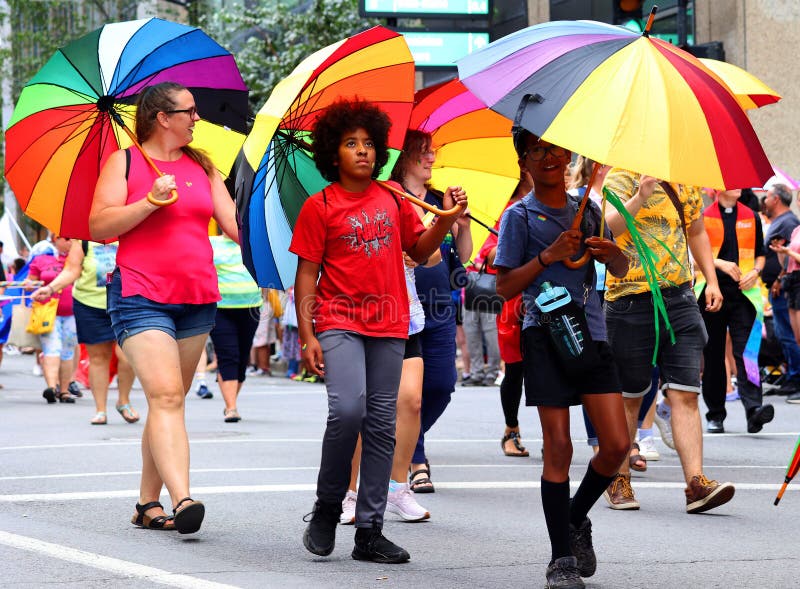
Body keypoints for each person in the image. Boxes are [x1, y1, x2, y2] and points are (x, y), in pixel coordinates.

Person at [291, 99, 467, 564]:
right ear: (333, 153)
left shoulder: (393, 198)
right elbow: (306, 274)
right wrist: (308, 334)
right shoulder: (320, 205)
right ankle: (328, 506)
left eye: (369, 143)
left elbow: (421, 247)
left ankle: (370, 530)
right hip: (338, 320)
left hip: (390, 323)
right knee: (348, 411)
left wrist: (445, 221)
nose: (363, 152)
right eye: (351, 144)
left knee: (382, 425)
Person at [89, 81, 239, 534]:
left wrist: (298, 257)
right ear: (162, 118)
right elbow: (98, 224)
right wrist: (148, 202)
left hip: (197, 298)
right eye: (189, 111)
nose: (198, 118)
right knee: (168, 397)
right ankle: (184, 499)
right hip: (139, 295)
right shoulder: (125, 162)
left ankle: (146, 502)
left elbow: (234, 226)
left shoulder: (202, 166)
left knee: (166, 403)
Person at [495, 130, 630, 589]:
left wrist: (614, 256)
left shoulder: (588, 209)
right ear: (525, 163)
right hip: (545, 335)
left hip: (591, 334)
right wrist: (547, 256)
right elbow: (504, 287)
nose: (548, 157)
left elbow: (619, 268)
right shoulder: (519, 217)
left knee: (615, 445)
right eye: (536, 151)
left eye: (554, 148)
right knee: (559, 448)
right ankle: (561, 559)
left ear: (568, 154)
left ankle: (573, 518)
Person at [602, 169, 735, 514]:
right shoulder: (619, 178)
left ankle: (696, 483)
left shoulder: (683, 179)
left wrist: (712, 280)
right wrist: (641, 194)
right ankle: (618, 477)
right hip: (630, 299)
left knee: (685, 392)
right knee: (630, 396)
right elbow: (610, 227)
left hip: (680, 299)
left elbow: (697, 231)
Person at [389, 129, 471, 493]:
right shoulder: (389, 196)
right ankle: (416, 461)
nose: (432, 158)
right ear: (405, 155)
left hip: (440, 305)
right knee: (410, 394)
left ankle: (406, 437)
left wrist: (461, 225)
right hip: (399, 304)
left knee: (442, 385)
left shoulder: (442, 200)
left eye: (433, 151)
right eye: (425, 151)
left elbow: (462, 256)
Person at [31, 239, 138, 424]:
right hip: (90, 305)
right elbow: (72, 270)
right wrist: (50, 289)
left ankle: (124, 401)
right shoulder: (84, 240)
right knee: (98, 358)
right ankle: (101, 410)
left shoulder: (129, 232)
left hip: (126, 303)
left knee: (129, 356)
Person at [697, 188, 773, 433]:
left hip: (744, 295)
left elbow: (760, 255)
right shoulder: (703, 216)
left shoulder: (751, 215)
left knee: (747, 352)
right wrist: (719, 264)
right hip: (712, 292)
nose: (739, 186)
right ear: (717, 188)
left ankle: (754, 409)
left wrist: (755, 272)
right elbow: (694, 254)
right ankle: (715, 414)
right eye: (732, 182)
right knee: (714, 355)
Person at [208, 233, 262, 422]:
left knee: (242, 356)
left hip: (251, 308)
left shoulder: (253, 242)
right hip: (221, 309)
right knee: (228, 355)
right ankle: (231, 407)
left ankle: (231, 401)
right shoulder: (213, 243)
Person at [26, 234, 77, 404]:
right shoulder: (40, 260)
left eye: (72, 239)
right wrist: (29, 285)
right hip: (47, 311)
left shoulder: (76, 259)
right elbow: (31, 282)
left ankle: (64, 390)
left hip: (72, 311)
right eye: (66, 238)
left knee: (67, 350)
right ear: (55, 239)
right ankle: (52, 387)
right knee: (52, 348)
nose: (69, 242)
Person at [763, 184, 800, 401]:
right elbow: (784, 259)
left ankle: (796, 377)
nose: (764, 201)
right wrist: (781, 252)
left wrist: (779, 278)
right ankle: (792, 376)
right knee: (789, 335)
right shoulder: (793, 227)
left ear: (776, 199)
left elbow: (791, 259)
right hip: (786, 284)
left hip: (789, 285)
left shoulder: (789, 222)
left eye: (767, 196)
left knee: (790, 336)